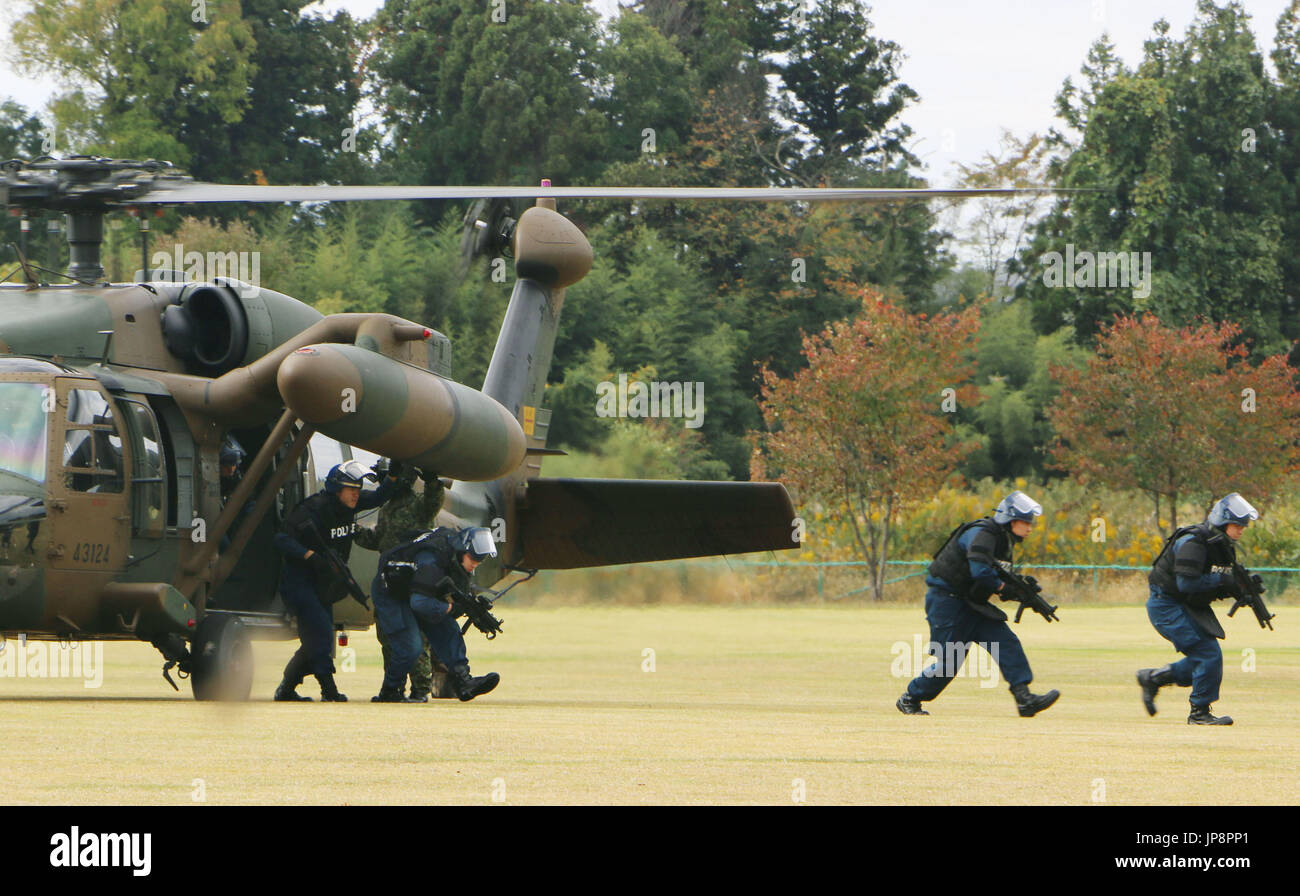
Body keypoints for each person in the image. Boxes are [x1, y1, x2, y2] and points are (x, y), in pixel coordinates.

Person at [896, 491, 1060, 717]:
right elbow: (981, 572)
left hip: (973, 604)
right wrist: (1005, 588)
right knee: (950, 661)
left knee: (1006, 642)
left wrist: (1021, 590)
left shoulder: (1003, 540)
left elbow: (992, 577)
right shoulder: (983, 533)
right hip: (947, 602)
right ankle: (910, 698)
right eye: (1026, 521)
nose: (1030, 526)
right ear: (1011, 520)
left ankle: (1024, 699)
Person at [272, 459, 400, 702]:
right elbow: (281, 540)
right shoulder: (312, 509)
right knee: (320, 635)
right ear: (336, 489)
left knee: (317, 638)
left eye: (357, 490)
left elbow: (377, 498)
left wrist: (392, 478)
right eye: (351, 490)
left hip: (324, 583)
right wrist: (309, 556)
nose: (356, 495)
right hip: (300, 582)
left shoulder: (349, 506)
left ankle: (286, 689)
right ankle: (328, 689)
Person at [1139, 493, 1260, 725]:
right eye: (1237, 524)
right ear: (1223, 523)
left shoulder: (1221, 545)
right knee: (1208, 654)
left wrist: (1240, 589)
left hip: (1186, 604)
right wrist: (1222, 581)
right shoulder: (1193, 542)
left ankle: (1154, 678)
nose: (1242, 529)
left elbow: (1215, 580)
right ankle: (1199, 714)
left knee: (1204, 657)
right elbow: (1187, 583)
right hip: (1166, 604)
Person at [369, 526, 500, 703]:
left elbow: (449, 594)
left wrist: (470, 609)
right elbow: (420, 604)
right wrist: (450, 609)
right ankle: (390, 691)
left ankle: (463, 682)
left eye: (481, 559)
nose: (476, 562)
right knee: (411, 647)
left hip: (416, 591)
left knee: (449, 629)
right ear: (463, 551)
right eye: (474, 557)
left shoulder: (457, 559)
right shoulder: (431, 560)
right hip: (391, 592)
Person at [352, 464, 448, 701]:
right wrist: (351, 530)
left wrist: (432, 480)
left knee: (416, 637)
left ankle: (420, 689)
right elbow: (378, 539)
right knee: (388, 636)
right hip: (389, 582)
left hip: (413, 580)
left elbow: (433, 500)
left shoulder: (418, 504)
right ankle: (393, 688)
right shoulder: (386, 509)